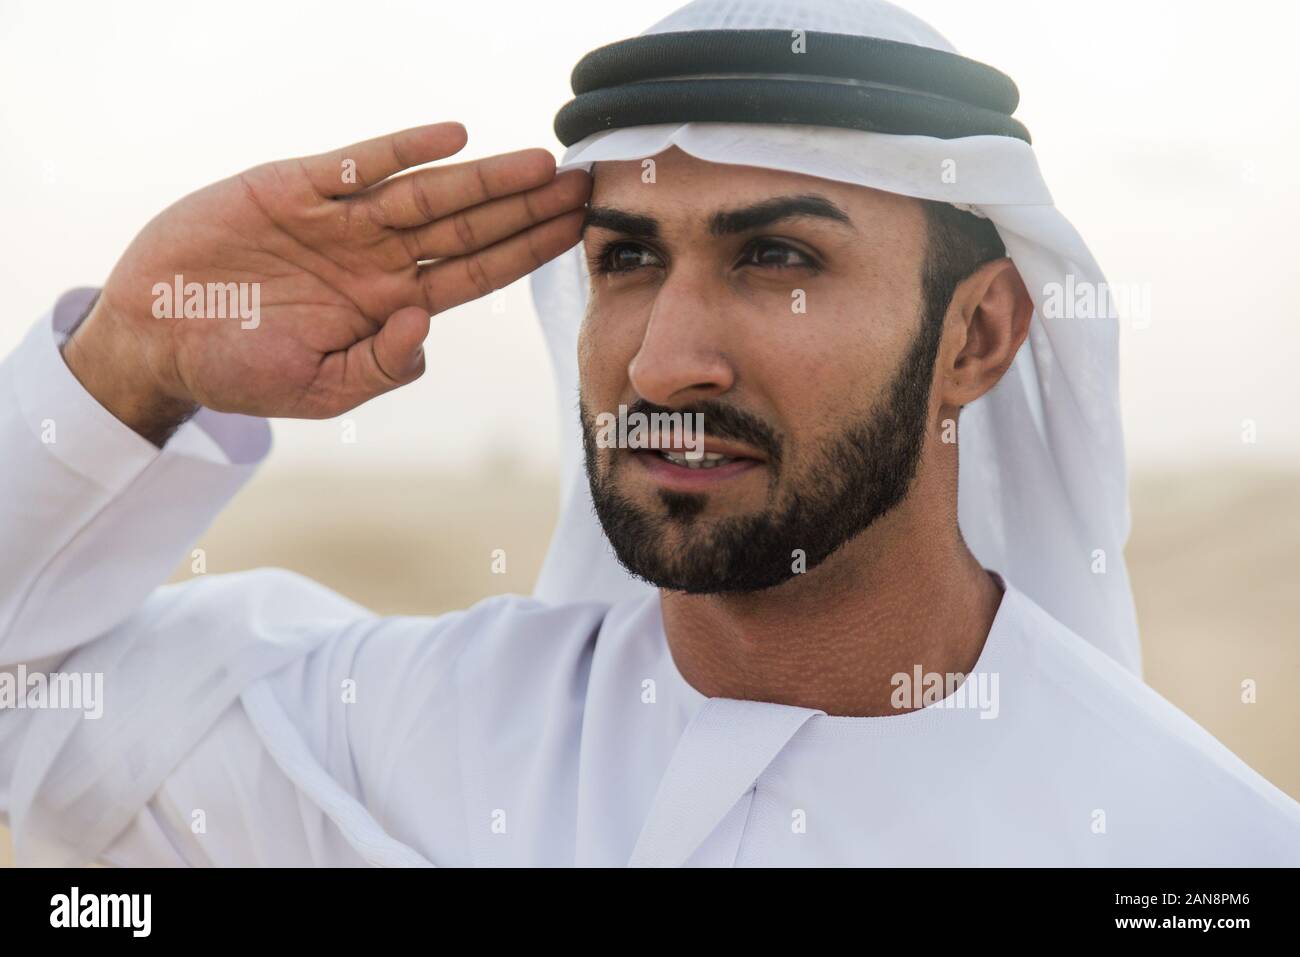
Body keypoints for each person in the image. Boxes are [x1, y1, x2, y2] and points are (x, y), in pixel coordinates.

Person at [2, 0, 1297, 867]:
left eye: (778, 257)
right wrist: (133, 358)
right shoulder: (404, 736)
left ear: (979, 338)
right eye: (626, 259)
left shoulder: (1190, 851)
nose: (669, 356)